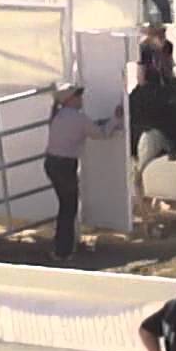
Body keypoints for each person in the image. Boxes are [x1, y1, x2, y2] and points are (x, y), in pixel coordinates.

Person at [43, 83, 121, 261]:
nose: (81, 99)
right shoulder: (78, 118)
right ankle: (62, 250)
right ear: (70, 99)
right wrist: (115, 119)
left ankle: (62, 248)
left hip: (52, 162)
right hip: (65, 165)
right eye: (78, 96)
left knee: (65, 207)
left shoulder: (59, 115)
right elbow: (101, 133)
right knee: (68, 209)